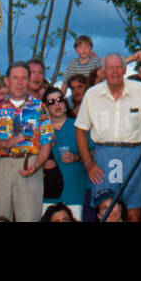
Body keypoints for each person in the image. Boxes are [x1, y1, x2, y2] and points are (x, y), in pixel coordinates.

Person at [76, 53, 141, 221]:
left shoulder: (140, 90)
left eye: (118, 68)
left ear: (124, 69)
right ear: (103, 71)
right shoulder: (92, 94)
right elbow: (80, 129)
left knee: (133, 213)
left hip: (134, 154)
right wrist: (88, 162)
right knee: (108, 211)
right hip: (104, 156)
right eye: (110, 68)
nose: (114, 72)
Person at [0, 61, 52, 222]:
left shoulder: (39, 107)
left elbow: (47, 142)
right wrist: (5, 144)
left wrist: (37, 166)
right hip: (0, 166)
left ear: (29, 81)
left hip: (30, 165)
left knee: (29, 218)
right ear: (7, 81)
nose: (20, 82)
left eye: (24, 78)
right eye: (15, 78)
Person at [42, 84, 90, 219]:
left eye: (60, 100)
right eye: (51, 102)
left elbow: (93, 153)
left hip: (74, 192)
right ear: (45, 106)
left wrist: (77, 157)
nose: (57, 104)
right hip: (47, 195)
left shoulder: (79, 125)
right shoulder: (40, 129)